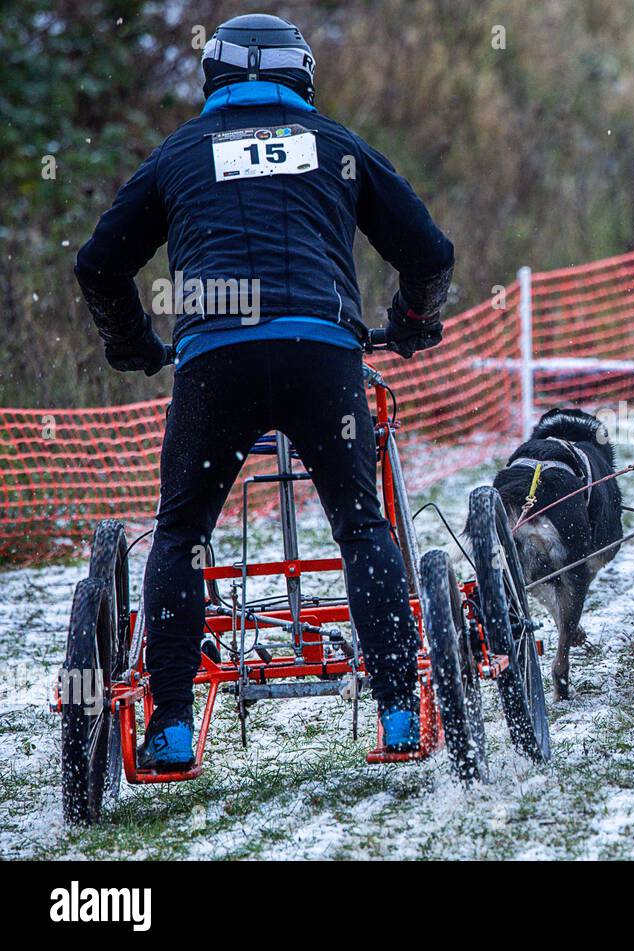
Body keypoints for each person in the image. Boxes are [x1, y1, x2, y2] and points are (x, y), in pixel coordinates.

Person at [74, 13, 453, 769]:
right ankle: (400, 712)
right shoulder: (337, 147)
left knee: (180, 532)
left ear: (213, 77)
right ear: (300, 75)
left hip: (217, 360)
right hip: (322, 354)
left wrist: (136, 345)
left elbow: (98, 265)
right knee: (359, 526)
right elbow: (430, 252)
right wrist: (410, 320)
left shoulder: (179, 155)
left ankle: (173, 724)